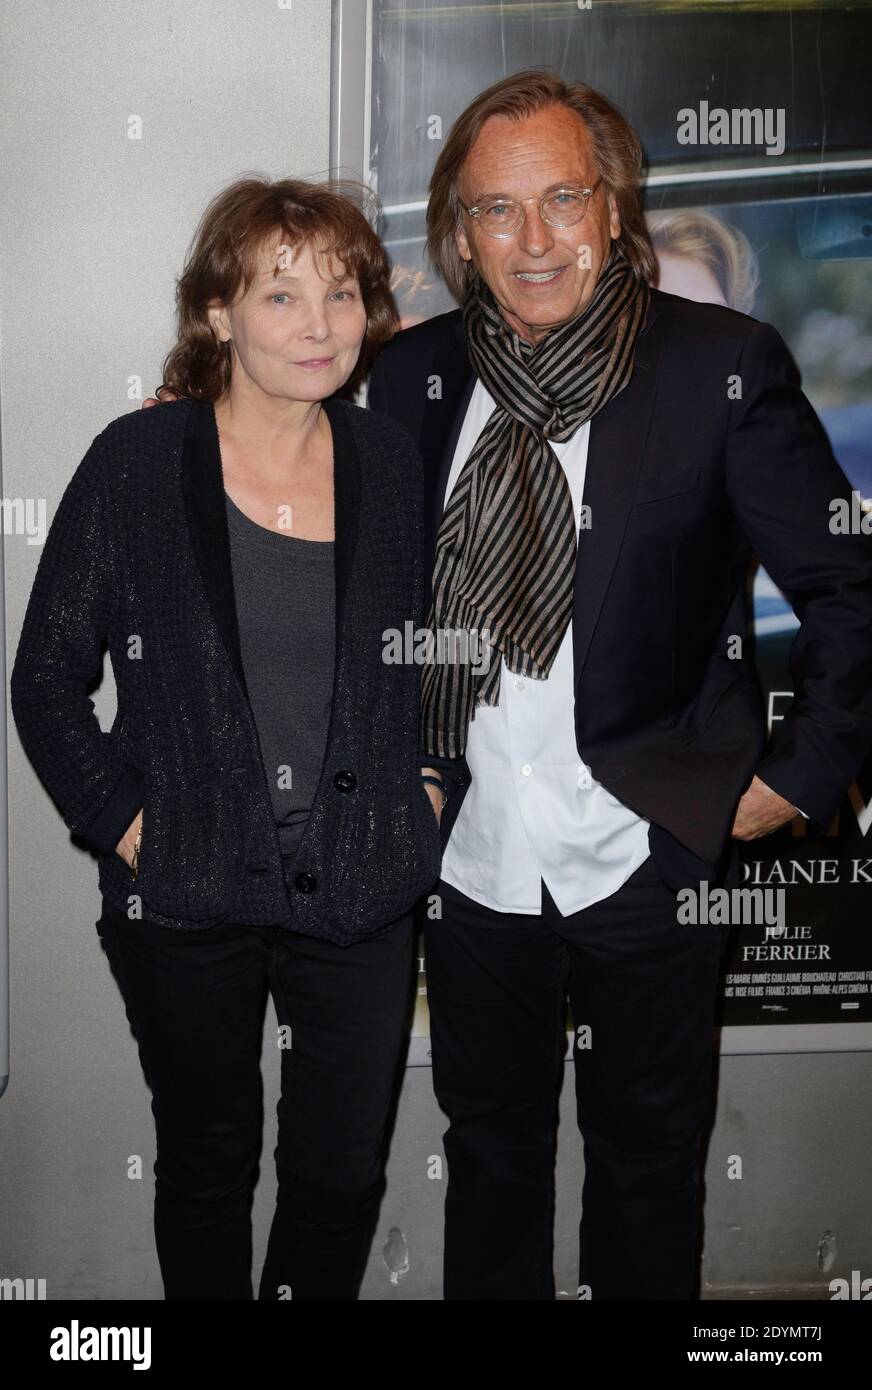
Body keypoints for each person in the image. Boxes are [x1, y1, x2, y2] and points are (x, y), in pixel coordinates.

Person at [367, 69, 872, 1300]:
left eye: (561, 199)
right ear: (459, 233)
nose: (531, 240)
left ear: (612, 208)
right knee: (488, 1159)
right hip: (471, 852)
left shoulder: (720, 365)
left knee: (647, 1169)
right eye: (496, 210)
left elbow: (850, 591)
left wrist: (789, 780)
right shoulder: (409, 381)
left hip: (646, 853)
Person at [10, 175, 445, 1300]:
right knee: (207, 1163)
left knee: (339, 1178)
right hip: (186, 895)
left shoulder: (392, 468)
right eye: (281, 296)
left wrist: (430, 792)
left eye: (342, 295)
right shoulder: (138, 465)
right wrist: (131, 826)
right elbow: (46, 677)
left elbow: (441, 654)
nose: (318, 327)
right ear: (217, 314)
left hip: (358, 889)